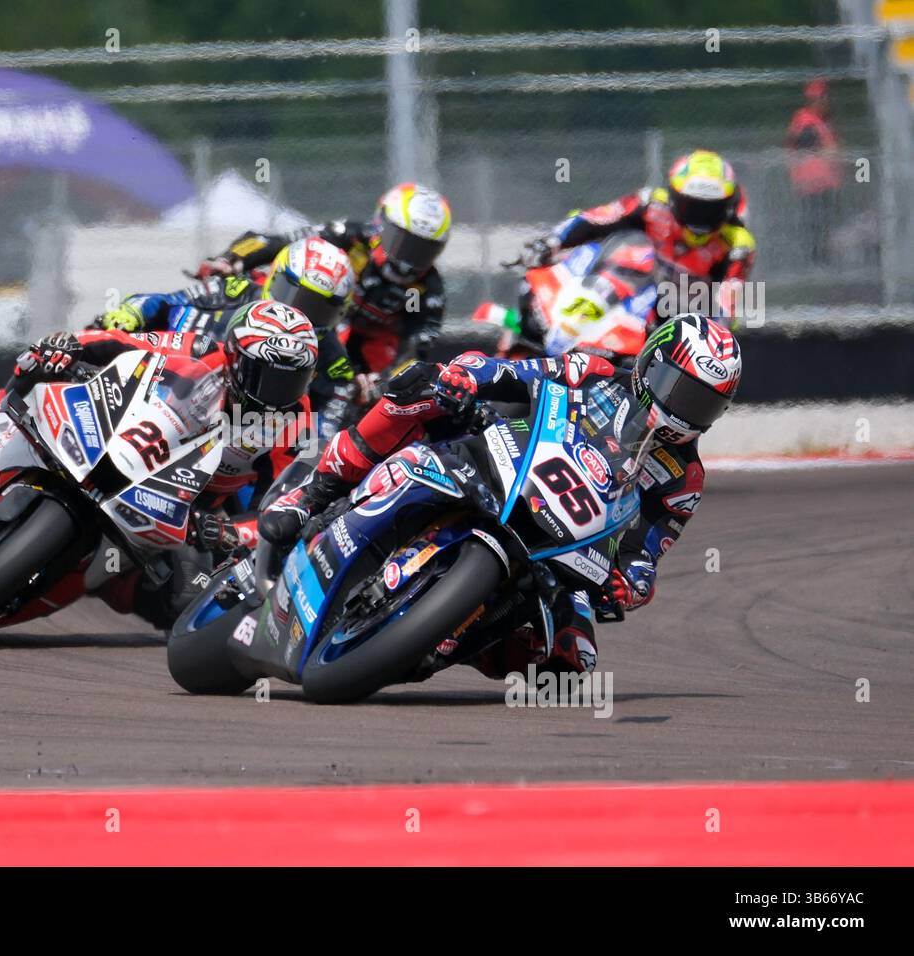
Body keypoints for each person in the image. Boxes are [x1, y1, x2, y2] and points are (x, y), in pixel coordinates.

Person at [259, 313, 742, 678]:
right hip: (497, 466)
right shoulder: (593, 371)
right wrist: (470, 377)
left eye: (704, 403)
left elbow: (649, 548)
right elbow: (521, 374)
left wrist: (634, 582)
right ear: (650, 366)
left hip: (571, 551)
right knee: (418, 389)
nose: (686, 410)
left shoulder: (685, 479)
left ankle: (441, 635)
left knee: (574, 665)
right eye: (681, 390)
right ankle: (313, 494)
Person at [0, 300, 321, 627]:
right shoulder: (198, 351)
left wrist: (231, 530)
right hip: (113, 441)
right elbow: (117, 341)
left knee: (185, 599)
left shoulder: (292, 423)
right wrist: (67, 346)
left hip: (180, 511)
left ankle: (99, 582)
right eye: (265, 374)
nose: (278, 391)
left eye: (292, 379)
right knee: (21, 391)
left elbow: (282, 504)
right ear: (234, 358)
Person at [197, 182, 452, 375]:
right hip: (312, 317)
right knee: (267, 281)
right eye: (402, 242)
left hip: (359, 349)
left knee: (391, 362)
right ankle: (219, 341)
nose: (409, 259)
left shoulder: (428, 289)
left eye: (423, 250)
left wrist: (384, 383)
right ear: (380, 224)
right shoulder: (348, 236)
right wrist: (230, 260)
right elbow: (279, 242)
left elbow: (416, 348)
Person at [94, 236, 357, 415]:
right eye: (294, 296)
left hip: (235, 438)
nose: (295, 314)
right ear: (274, 277)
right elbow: (163, 301)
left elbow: (321, 438)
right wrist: (130, 314)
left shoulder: (336, 365)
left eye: (318, 308)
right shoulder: (234, 289)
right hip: (156, 388)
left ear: (339, 312)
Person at [520, 150, 756, 325]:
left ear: (728, 208)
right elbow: (596, 219)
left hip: (677, 325)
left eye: (711, 209)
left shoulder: (737, 244)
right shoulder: (651, 204)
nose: (700, 218)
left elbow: (727, 306)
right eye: (692, 206)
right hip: (619, 304)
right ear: (674, 198)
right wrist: (551, 243)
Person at [786, 77, 842, 264]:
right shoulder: (806, 120)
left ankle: (822, 260)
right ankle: (817, 263)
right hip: (813, 184)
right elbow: (803, 143)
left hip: (822, 183)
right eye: (823, 99)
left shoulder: (818, 120)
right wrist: (827, 151)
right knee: (816, 226)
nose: (827, 103)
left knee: (824, 225)